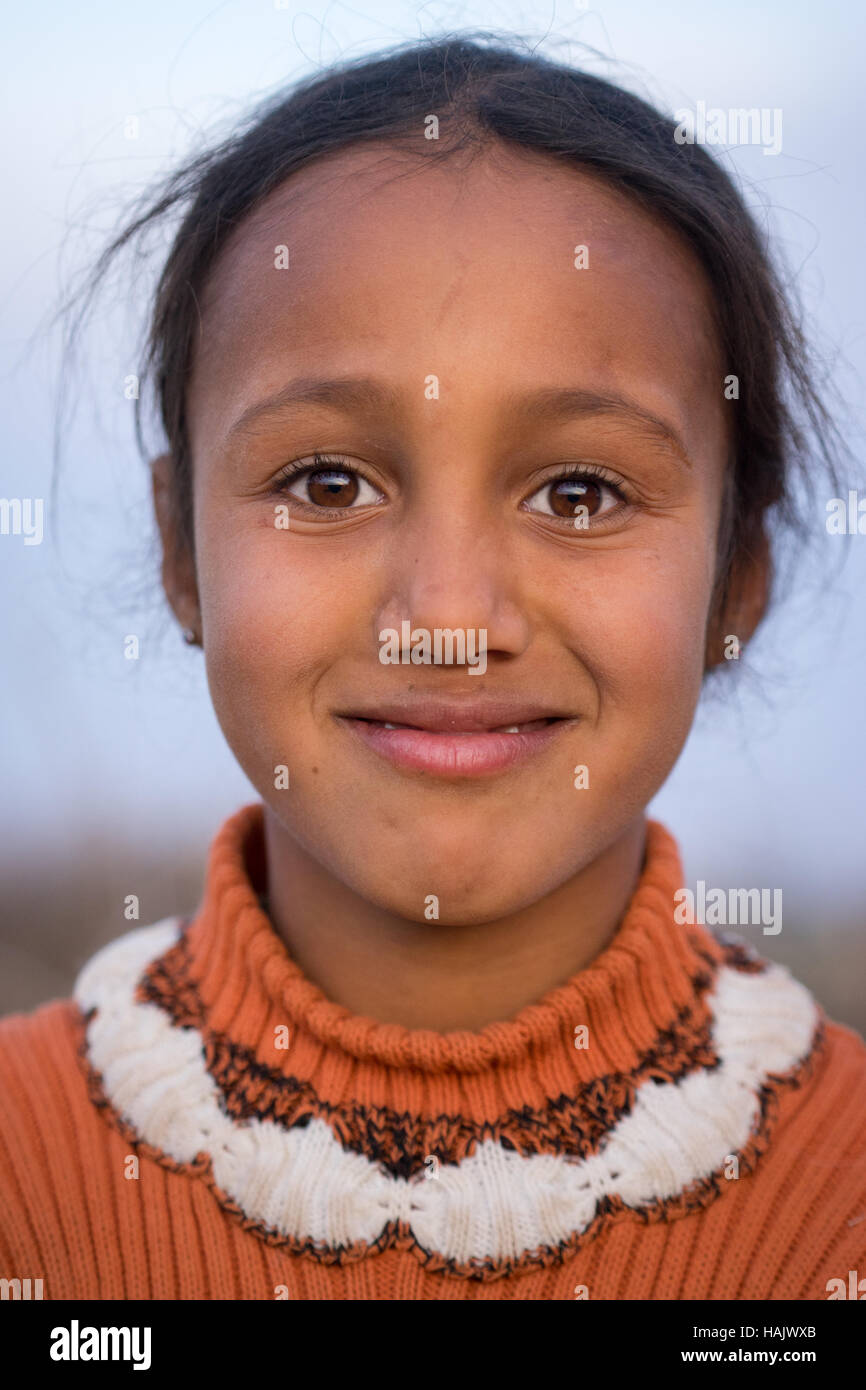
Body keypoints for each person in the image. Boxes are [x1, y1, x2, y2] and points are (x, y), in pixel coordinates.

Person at [1, 33, 864, 1301]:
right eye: (327, 482)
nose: (448, 616)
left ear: (735, 584)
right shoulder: (25, 1180)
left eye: (578, 492)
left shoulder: (837, 1202)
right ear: (179, 554)